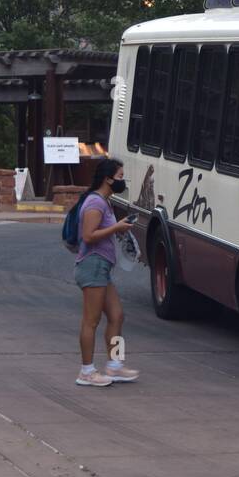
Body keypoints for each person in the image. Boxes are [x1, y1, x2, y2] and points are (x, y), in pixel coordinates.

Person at [74, 157, 140, 387]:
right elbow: (88, 236)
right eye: (120, 177)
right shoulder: (95, 203)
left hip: (102, 267)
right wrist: (117, 227)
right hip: (93, 265)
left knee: (117, 316)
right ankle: (86, 370)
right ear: (108, 178)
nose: (123, 181)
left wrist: (118, 228)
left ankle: (115, 365)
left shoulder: (104, 201)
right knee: (90, 321)